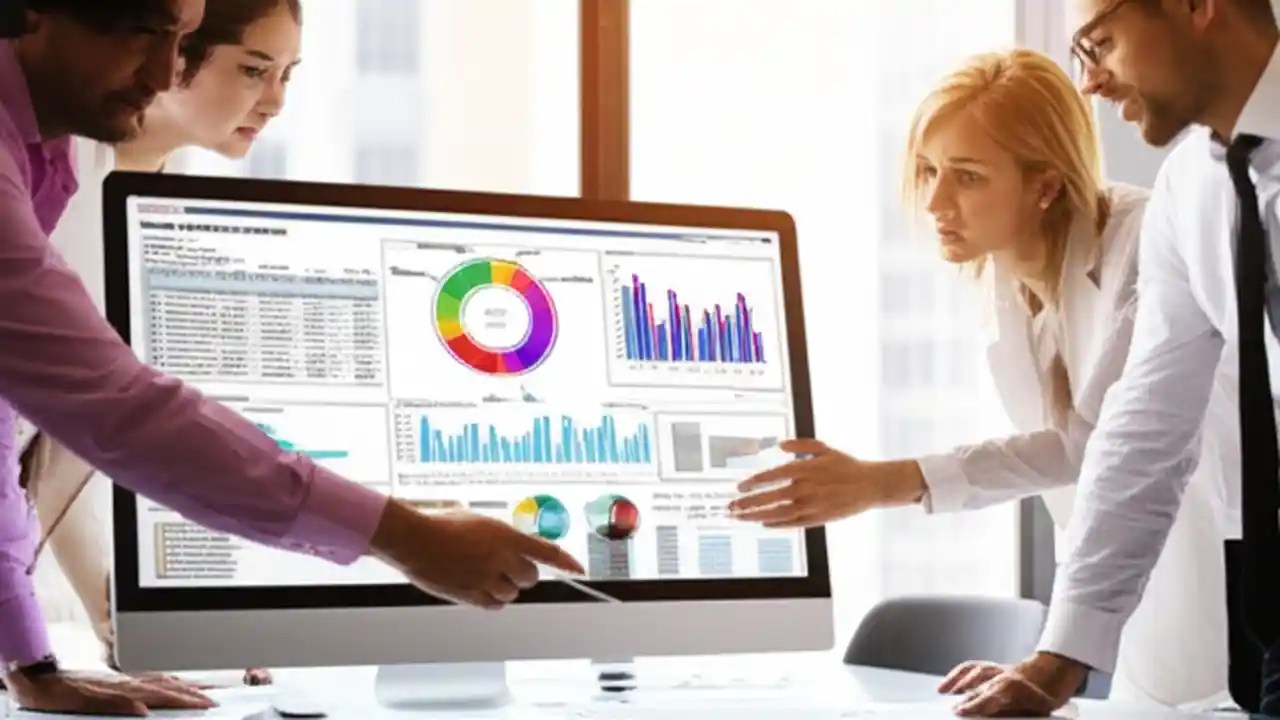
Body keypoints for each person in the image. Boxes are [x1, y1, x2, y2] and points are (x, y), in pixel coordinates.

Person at [0, 1, 585, 715]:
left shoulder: (53, 151)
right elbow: (115, 412)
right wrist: (404, 537)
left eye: (180, 42)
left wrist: (31, 657)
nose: (164, 72)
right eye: (142, 32)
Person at [727, 47, 1233, 709]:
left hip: (1214, 579)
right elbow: (1073, 493)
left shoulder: (1143, 242)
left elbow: (1089, 447)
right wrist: (1048, 657)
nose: (935, 200)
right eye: (928, 170)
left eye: (966, 177)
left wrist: (881, 481)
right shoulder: (1004, 279)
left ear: (1045, 184)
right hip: (1131, 618)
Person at [916, 0, 1280, 716]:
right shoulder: (1191, 191)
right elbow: (1144, 430)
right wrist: (1058, 665)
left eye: (1099, 43)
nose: (1090, 81)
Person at [16, 0, 306, 684]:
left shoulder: (169, 197)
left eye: (288, 75)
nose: (273, 102)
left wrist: (133, 634)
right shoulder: (53, 167)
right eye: (252, 69)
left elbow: (68, 447)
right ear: (171, 53)